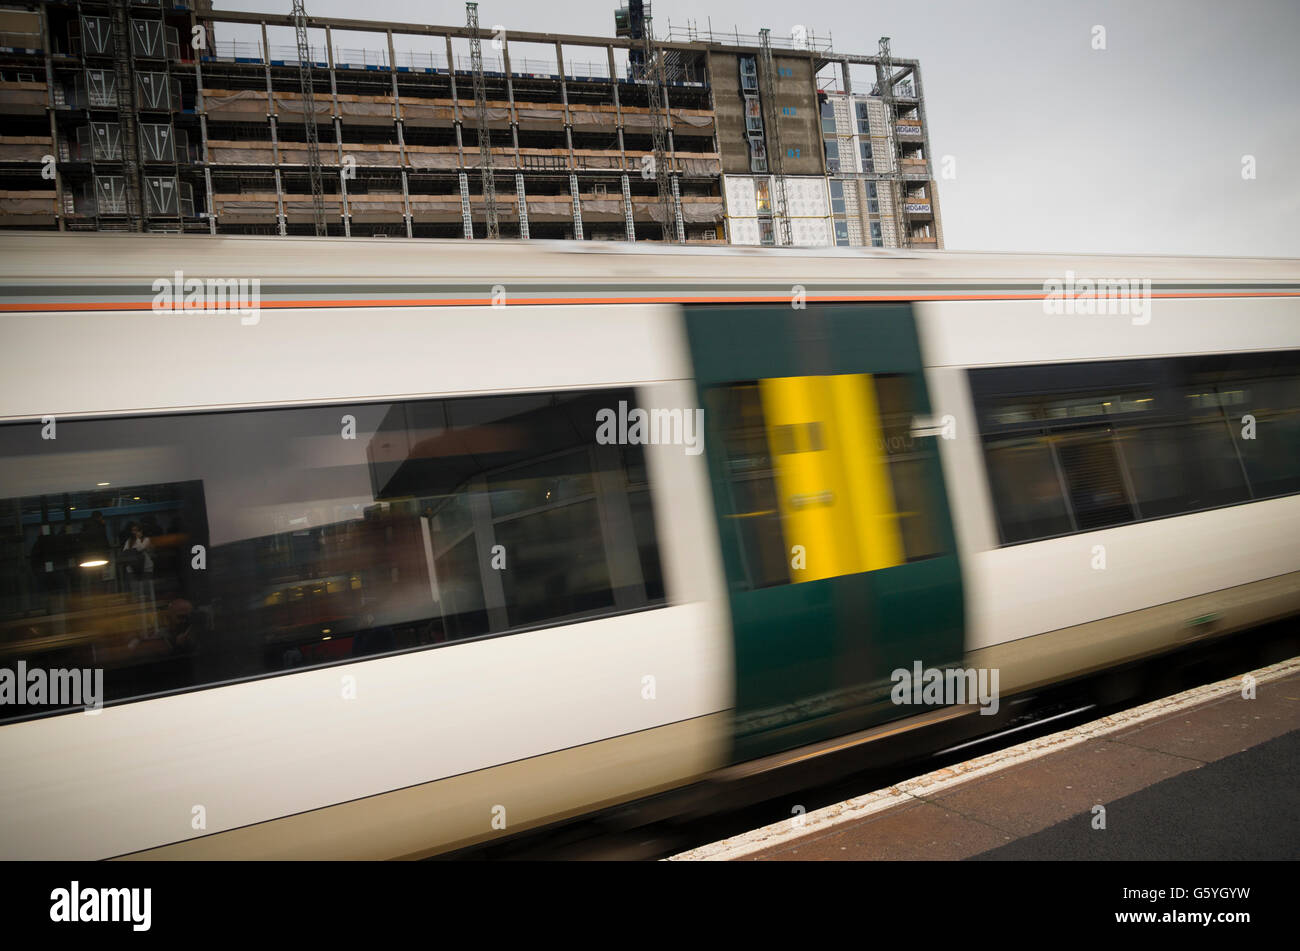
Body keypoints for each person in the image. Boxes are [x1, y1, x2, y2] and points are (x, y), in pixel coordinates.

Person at [122, 523, 158, 635]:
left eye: (137, 530)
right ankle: (140, 624)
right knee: (137, 596)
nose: (135, 533)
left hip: (145, 569)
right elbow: (125, 553)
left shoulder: (145, 539)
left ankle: (151, 624)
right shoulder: (128, 541)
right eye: (133, 530)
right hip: (133, 570)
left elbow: (140, 548)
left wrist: (137, 540)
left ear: (142, 531)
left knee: (147, 596)